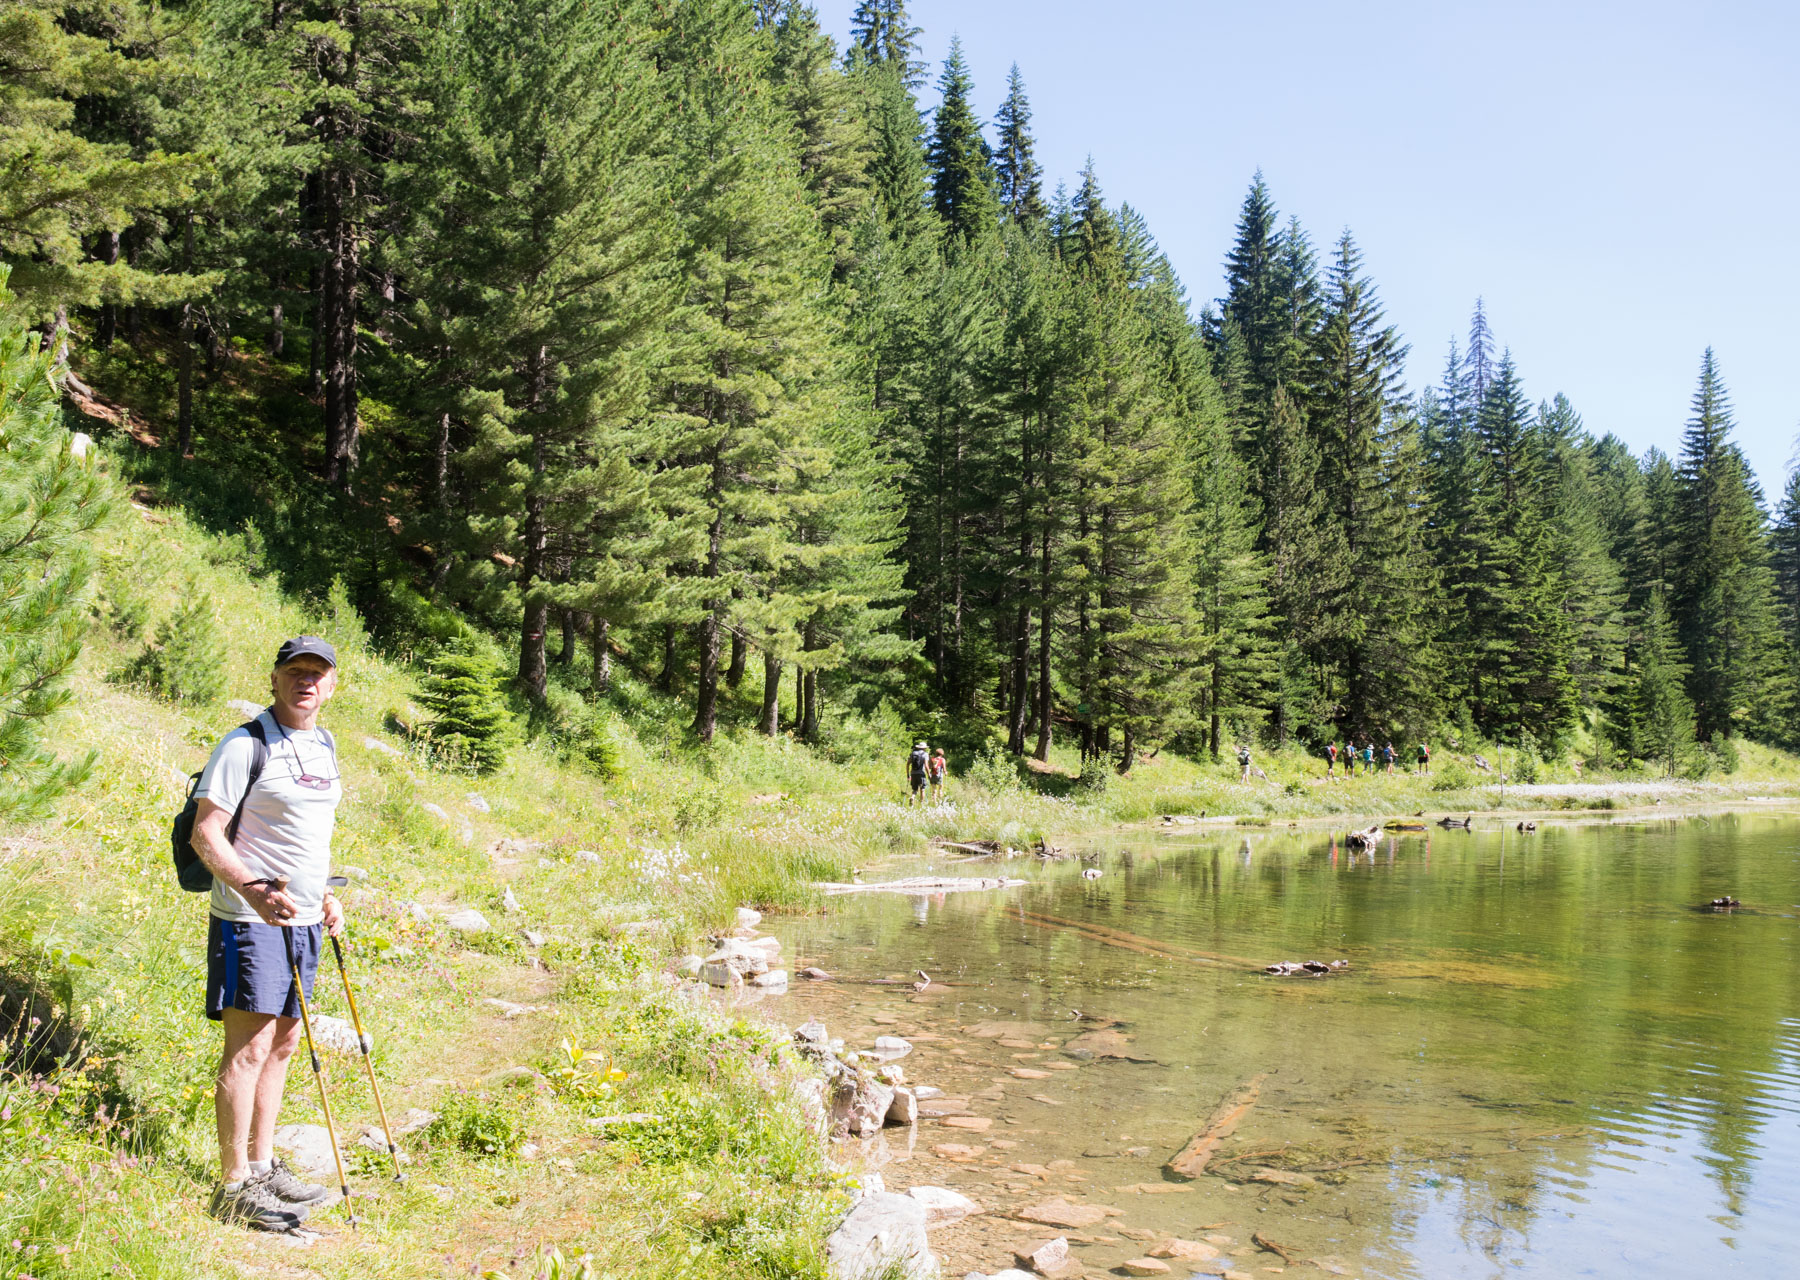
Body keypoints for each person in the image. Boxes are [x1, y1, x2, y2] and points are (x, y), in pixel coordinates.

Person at [192, 636, 346, 1232]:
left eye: (317, 673)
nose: (306, 680)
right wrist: (253, 890)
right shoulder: (244, 745)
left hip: (303, 918)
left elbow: (308, 833)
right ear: (275, 679)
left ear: (331, 685)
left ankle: (262, 1166)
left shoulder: (324, 745)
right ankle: (234, 1187)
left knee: (282, 1044)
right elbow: (207, 834)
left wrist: (324, 892)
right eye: (295, 670)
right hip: (250, 918)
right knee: (249, 1048)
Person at [906, 740, 931, 806]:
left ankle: (912, 797)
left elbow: (908, 764)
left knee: (914, 789)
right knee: (922, 789)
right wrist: (929, 774)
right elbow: (926, 765)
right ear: (924, 748)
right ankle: (921, 803)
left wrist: (908, 775)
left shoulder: (913, 753)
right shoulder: (925, 754)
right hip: (921, 774)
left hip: (913, 773)